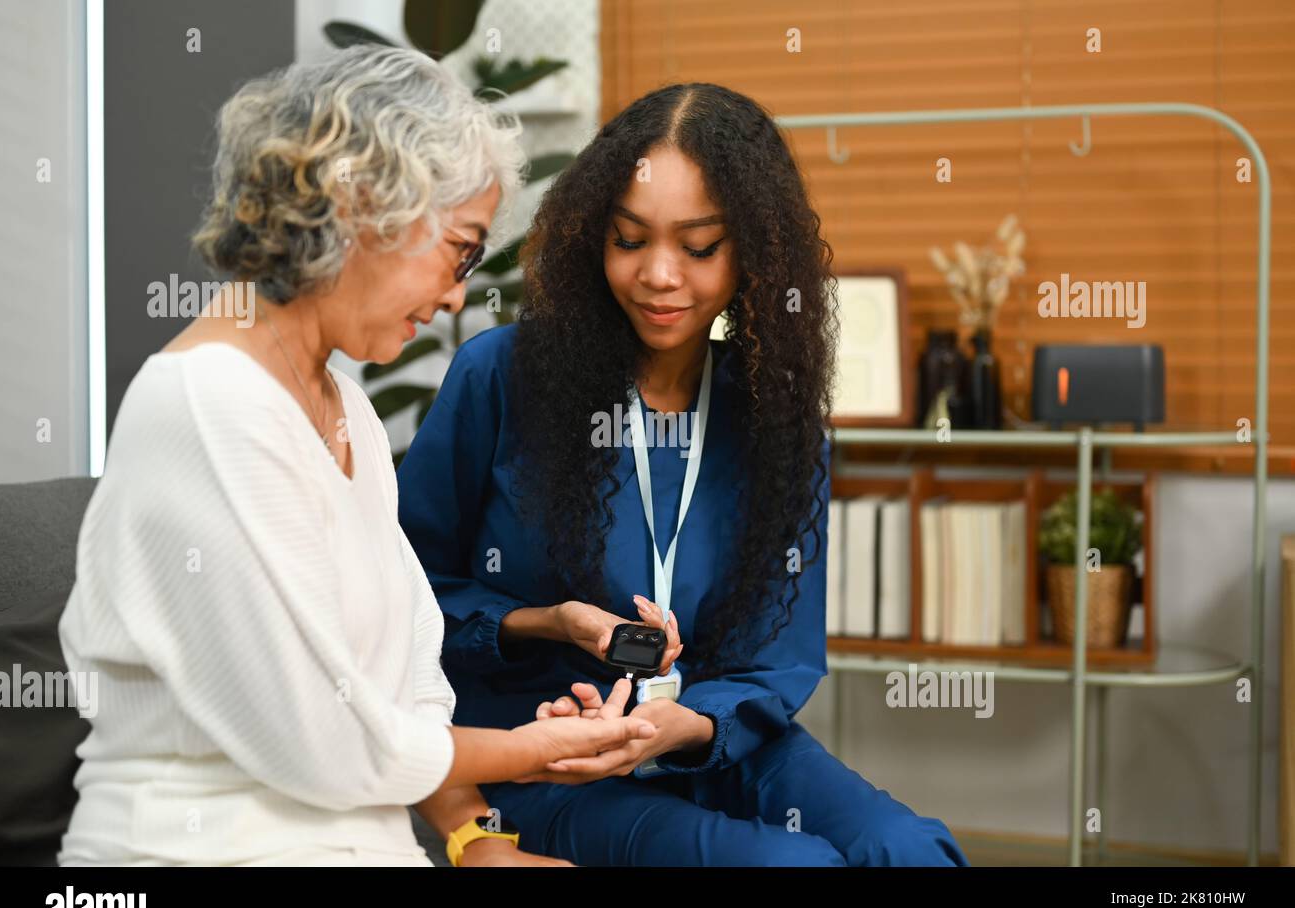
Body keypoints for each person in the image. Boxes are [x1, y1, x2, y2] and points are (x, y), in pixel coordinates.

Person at [57, 45, 655, 867]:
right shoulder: (208, 404)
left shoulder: (353, 418)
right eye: (461, 249)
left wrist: (478, 838)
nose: (457, 294)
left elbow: (406, 691)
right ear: (360, 203)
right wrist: (529, 749)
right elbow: (334, 743)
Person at [398, 82, 969, 865]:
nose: (660, 275)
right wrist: (549, 621)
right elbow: (406, 596)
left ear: (754, 253)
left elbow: (776, 655)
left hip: (713, 740)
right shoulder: (499, 378)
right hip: (547, 758)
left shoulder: (774, 414)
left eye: (699, 247)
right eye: (629, 240)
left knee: (909, 852)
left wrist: (691, 726)